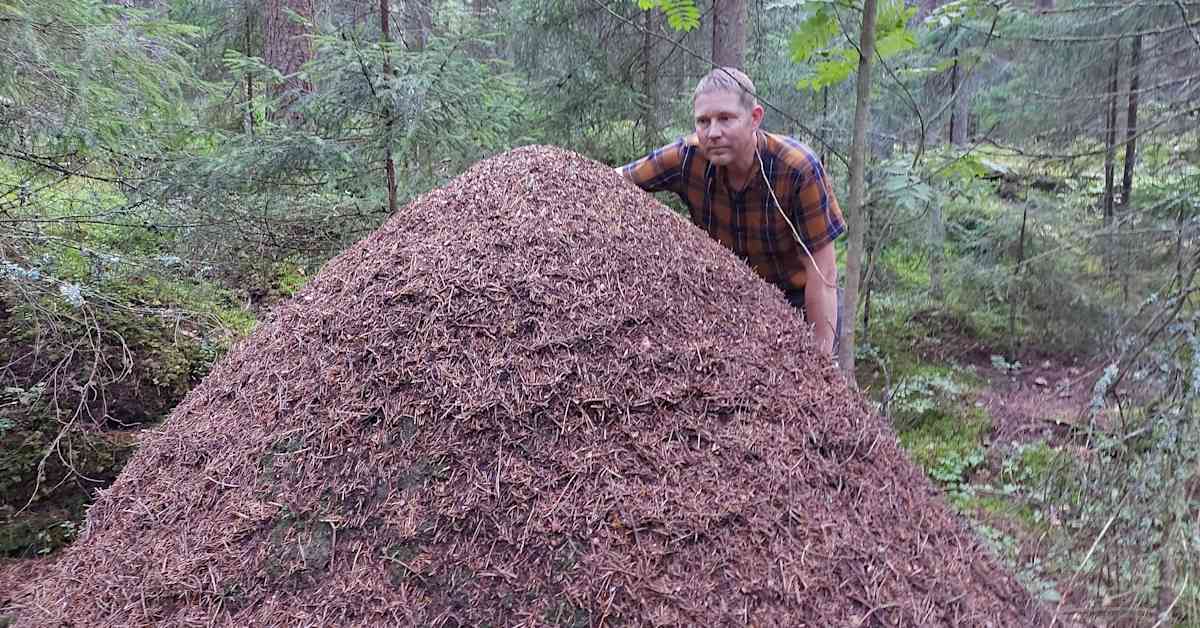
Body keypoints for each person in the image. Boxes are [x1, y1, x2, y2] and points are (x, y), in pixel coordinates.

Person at [617, 67, 846, 357]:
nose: (713, 133)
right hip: (729, 301)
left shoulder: (797, 169)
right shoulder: (687, 158)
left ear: (754, 118)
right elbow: (610, 178)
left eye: (725, 118)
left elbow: (823, 275)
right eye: (703, 121)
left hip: (796, 301)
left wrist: (821, 359)